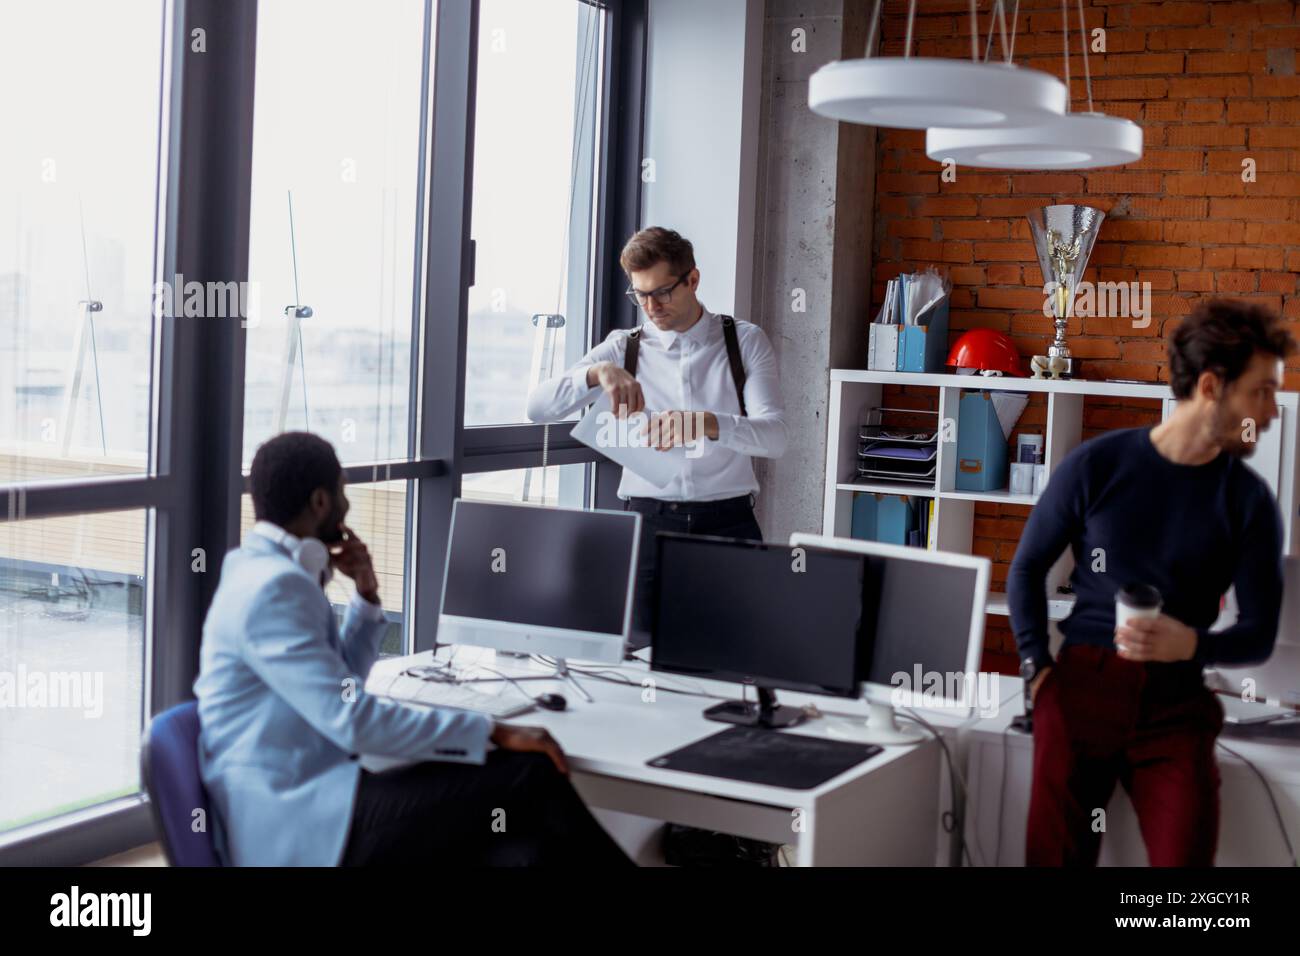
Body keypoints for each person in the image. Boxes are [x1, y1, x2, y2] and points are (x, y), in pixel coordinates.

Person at [194, 431, 631, 866]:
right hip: (297, 822)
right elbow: (351, 720)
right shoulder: (277, 588)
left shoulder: (256, 571)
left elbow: (344, 689)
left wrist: (366, 595)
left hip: (319, 793)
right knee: (527, 773)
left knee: (525, 852)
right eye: (343, 491)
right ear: (321, 502)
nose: (347, 507)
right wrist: (492, 730)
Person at [1008, 299, 1293, 866]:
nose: (1271, 412)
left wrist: (1193, 645)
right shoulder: (1098, 465)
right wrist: (1037, 670)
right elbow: (1026, 569)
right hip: (1081, 692)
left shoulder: (1249, 502)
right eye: (1260, 392)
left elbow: (1259, 633)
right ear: (1212, 387)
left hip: (1177, 708)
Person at [526, 226, 788, 647]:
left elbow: (775, 438)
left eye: (662, 292)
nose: (651, 306)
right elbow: (538, 407)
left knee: (736, 657)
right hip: (647, 526)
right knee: (637, 663)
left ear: (693, 280)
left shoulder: (743, 341)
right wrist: (595, 374)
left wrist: (709, 422)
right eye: (640, 295)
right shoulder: (622, 348)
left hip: (728, 525)